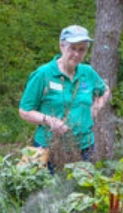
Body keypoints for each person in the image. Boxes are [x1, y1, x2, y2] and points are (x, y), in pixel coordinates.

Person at [18, 25, 111, 167]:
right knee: (50, 188)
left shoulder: (88, 72)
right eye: (73, 48)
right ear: (61, 46)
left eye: (82, 50)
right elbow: (25, 111)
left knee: (83, 187)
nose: (77, 54)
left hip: (85, 147)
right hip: (48, 147)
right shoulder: (43, 74)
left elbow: (104, 90)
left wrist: (95, 108)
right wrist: (49, 120)